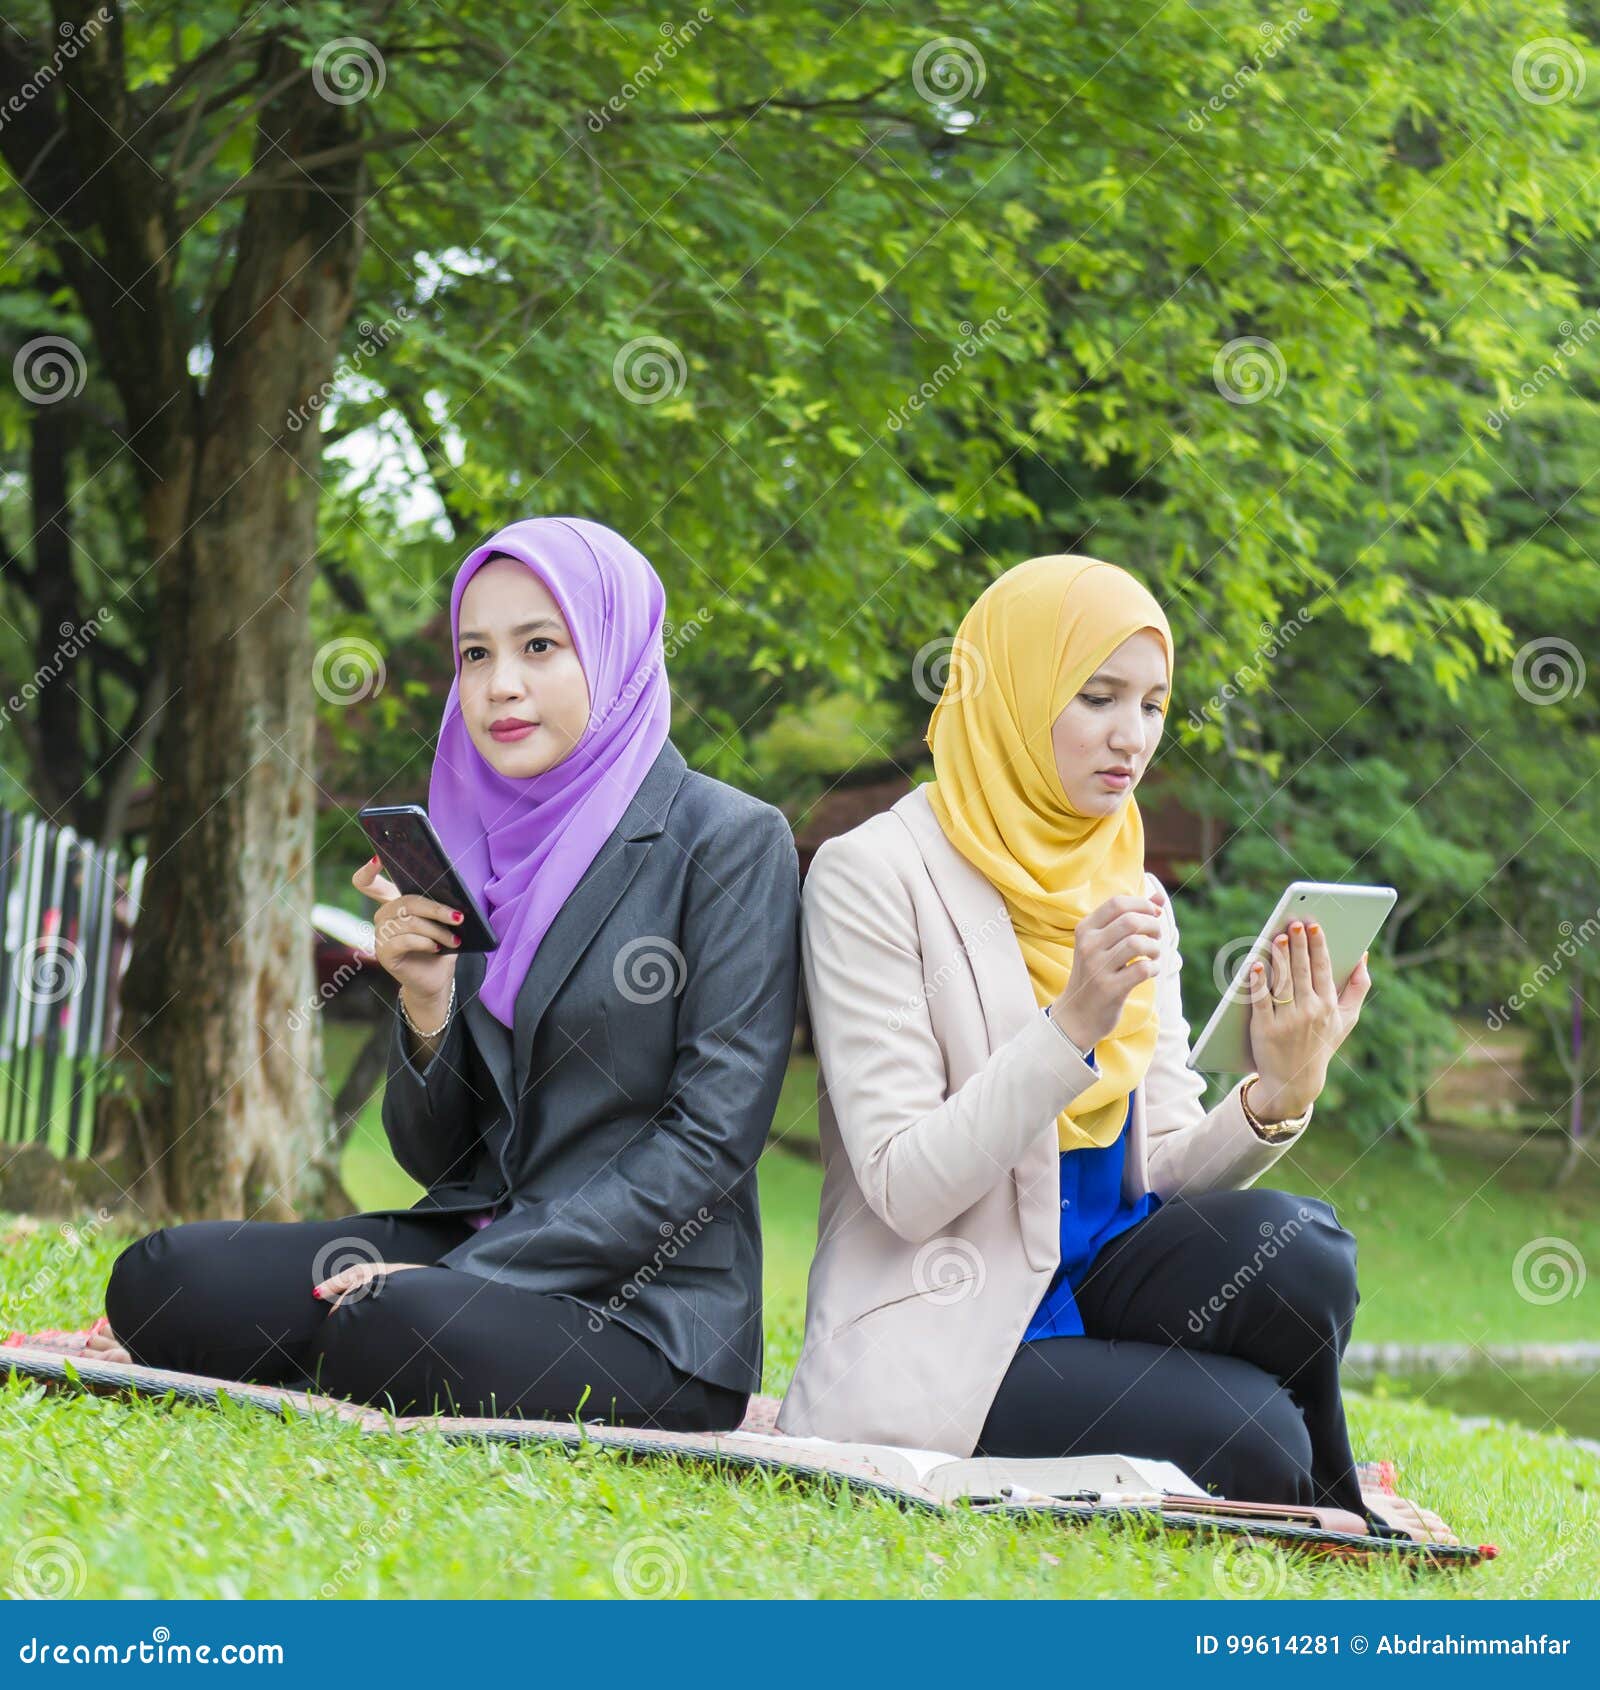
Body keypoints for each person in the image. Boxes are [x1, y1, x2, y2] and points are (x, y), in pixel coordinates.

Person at [95, 517, 800, 1432]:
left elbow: (710, 1140)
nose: (500, 686)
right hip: (465, 1243)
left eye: (541, 646)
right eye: (476, 653)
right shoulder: (477, 843)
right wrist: (426, 1001)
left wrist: (471, 1276)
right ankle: (389, 1332)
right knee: (162, 1279)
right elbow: (438, 1158)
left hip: (649, 1307)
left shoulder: (729, 840)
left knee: (390, 1323)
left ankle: (387, 1334)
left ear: (616, 649)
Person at [778, 552, 1384, 1521]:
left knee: (1305, 1251)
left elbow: (1167, 1166)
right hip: (960, 1320)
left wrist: (1279, 1090)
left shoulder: (1127, 879)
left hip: (1102, 1272)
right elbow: (903, 1184)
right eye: (1097, 696)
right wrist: (1070, 1024)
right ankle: (1288, 1457)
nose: (1131, 736)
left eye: (1152, 704)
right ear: (1012, 692)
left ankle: (1262, 1441)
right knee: (1259, 1443)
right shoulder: (872, 875)